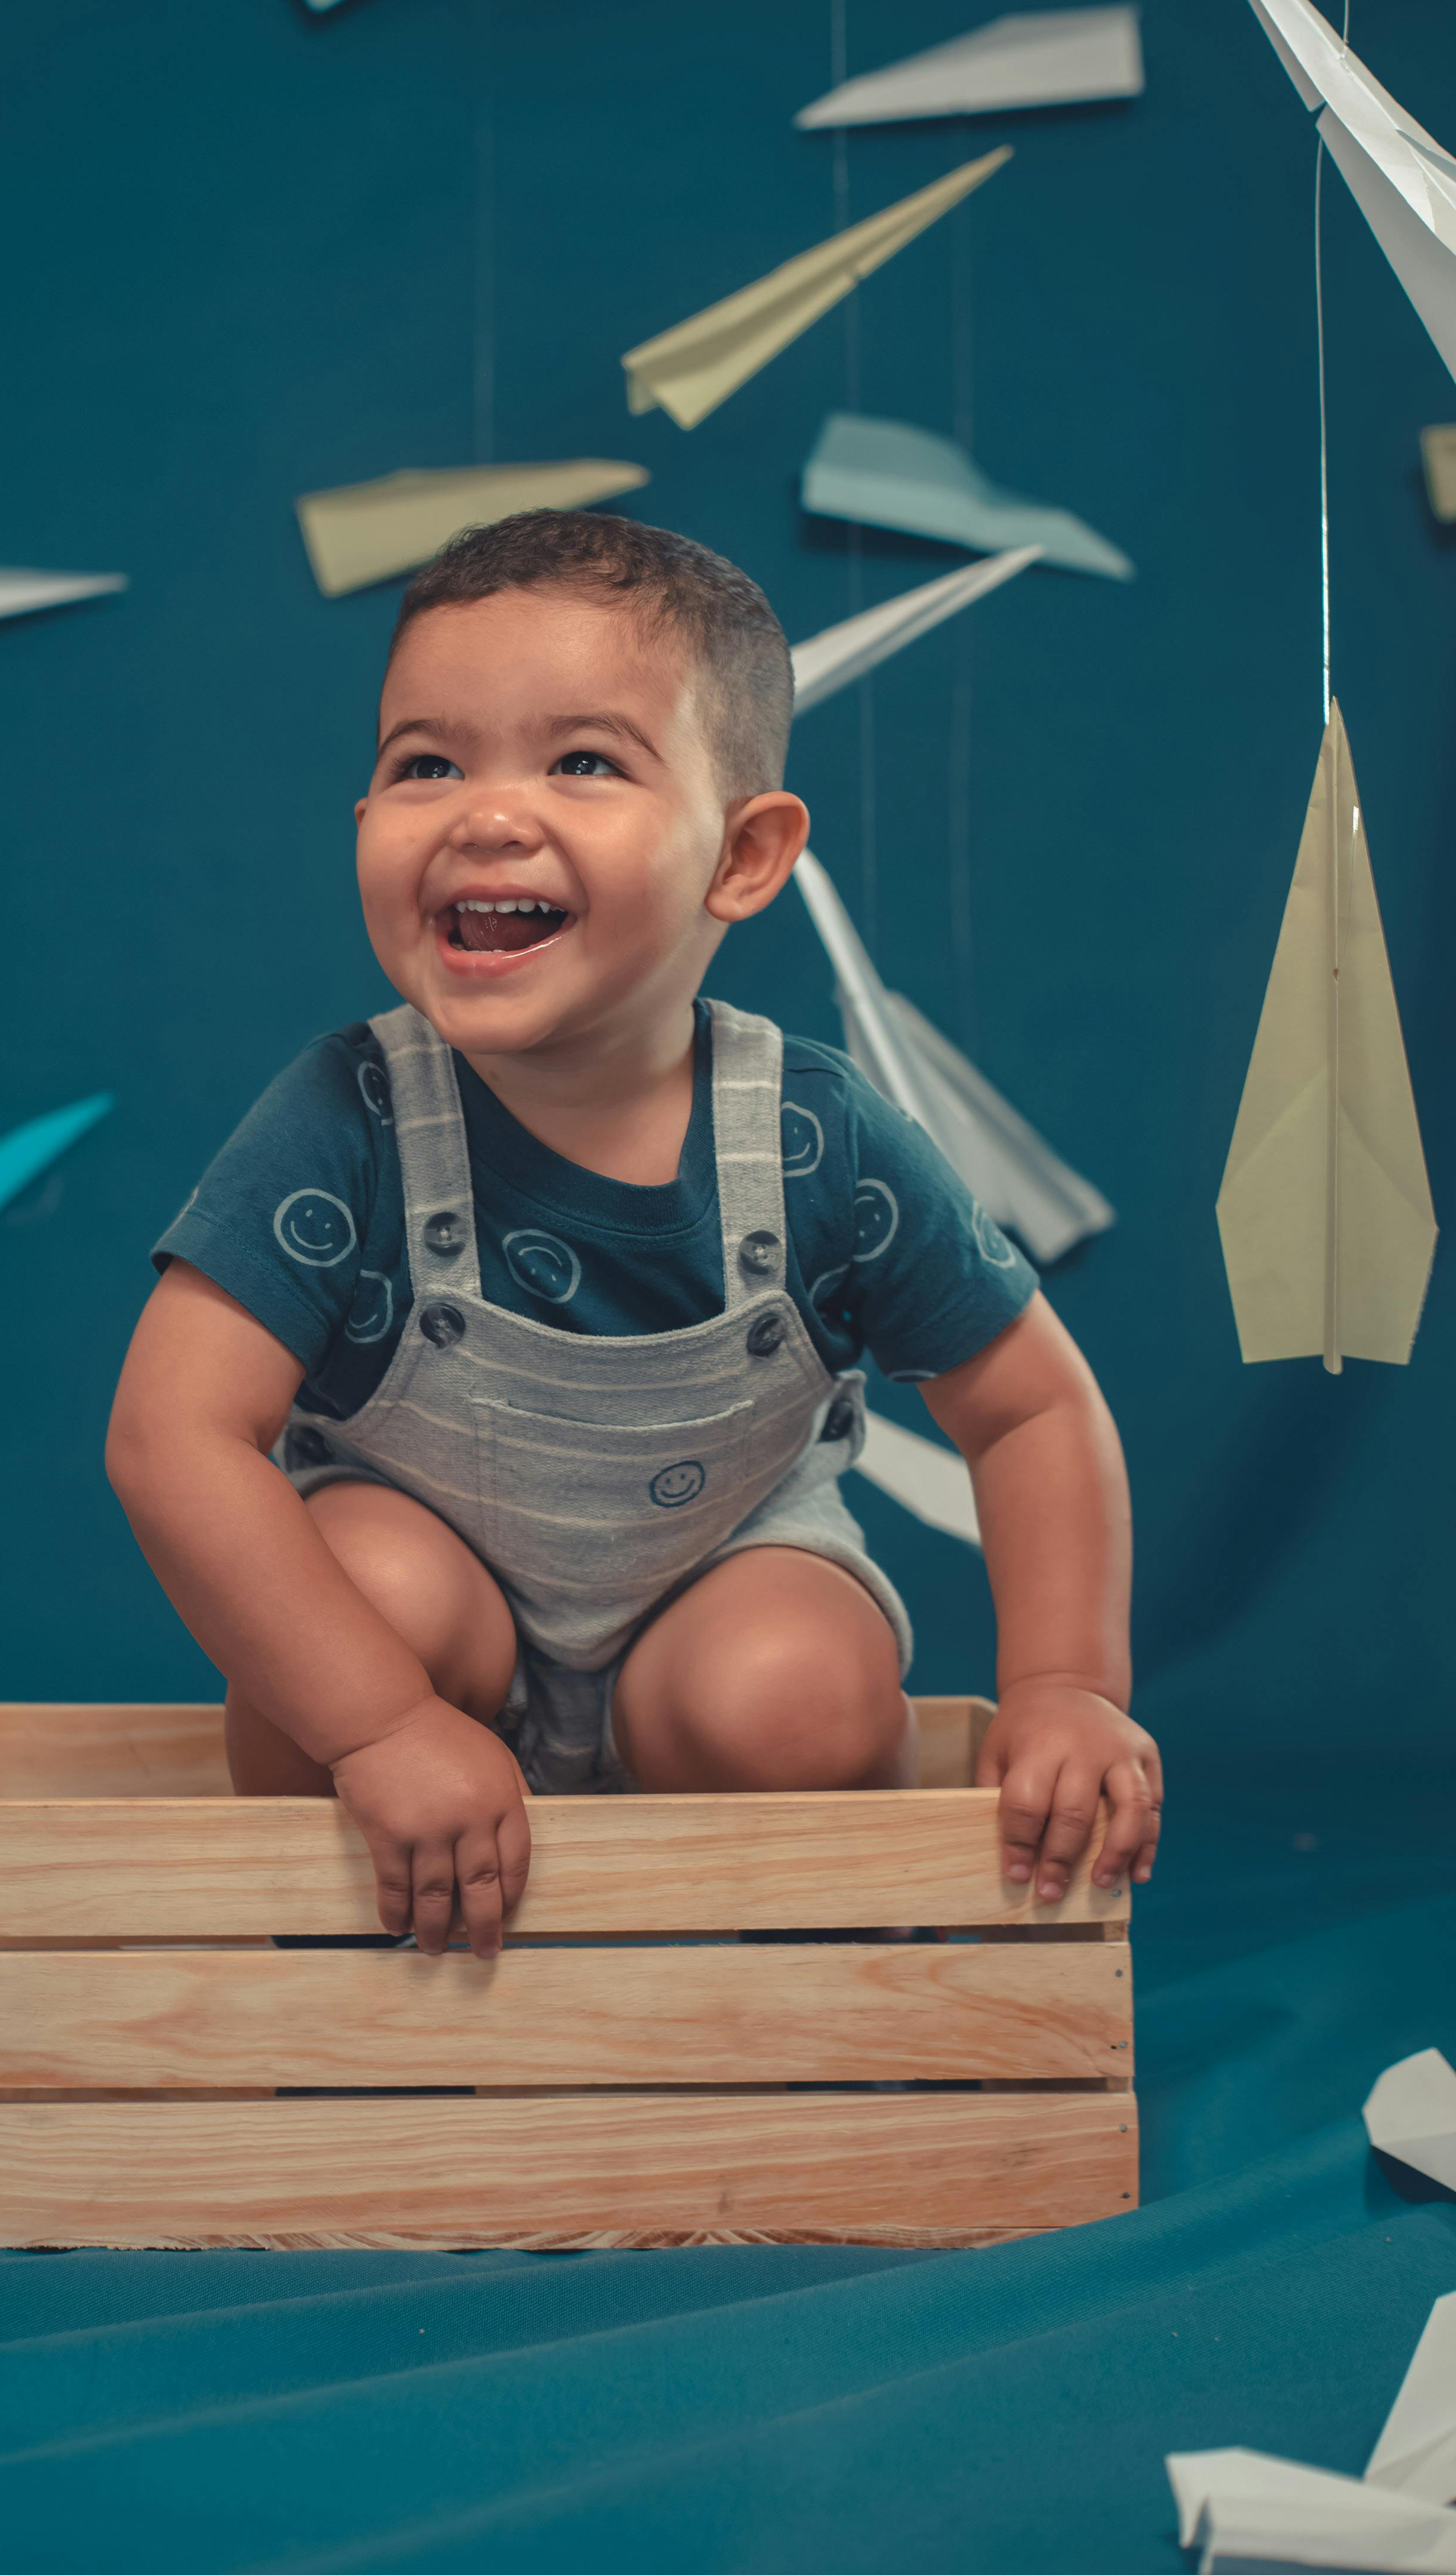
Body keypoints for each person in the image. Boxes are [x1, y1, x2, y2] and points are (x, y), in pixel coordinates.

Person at [105, 510, 1160, 1959]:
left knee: (797, 1681)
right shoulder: (346, 1113)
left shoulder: (815, 1136)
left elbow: (1033, 1406)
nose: (487, 811)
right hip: (417, 1643)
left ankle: (711, 1988)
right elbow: (171, 1438)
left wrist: (1065, 1683)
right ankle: (359, 1984)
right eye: (428, 762)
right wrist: (380, 1722)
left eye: (581, 760)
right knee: (370, 1587)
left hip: (717, 1595)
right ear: (364, 826)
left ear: (743, 853)